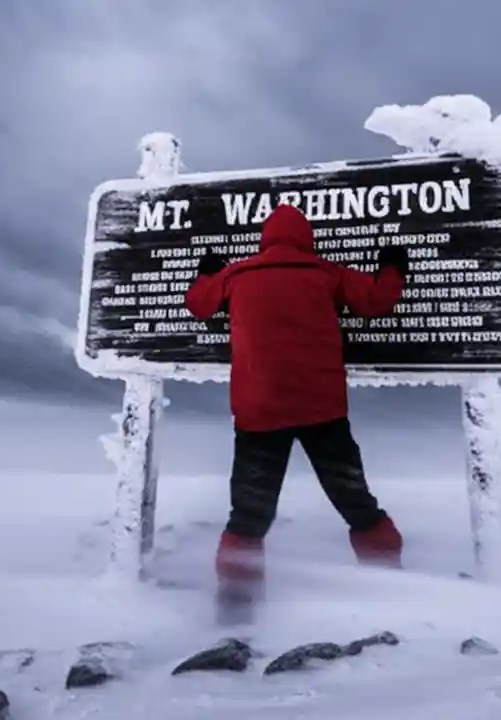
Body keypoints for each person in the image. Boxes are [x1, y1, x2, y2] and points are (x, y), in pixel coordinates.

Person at [185, 203, 409, 623]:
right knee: (356, 501)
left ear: (264, 239)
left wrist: (206, 272)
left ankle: (236, 605)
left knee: (249, 514)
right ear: (307, 238)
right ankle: (389, 584)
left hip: (258, 413)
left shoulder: (237, 275)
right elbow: (378, 302)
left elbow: (198, 304)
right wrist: (393, 265)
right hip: (322, 411)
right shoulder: (325, 272)